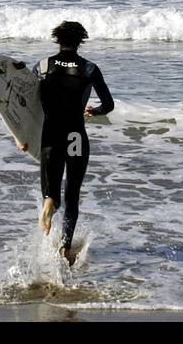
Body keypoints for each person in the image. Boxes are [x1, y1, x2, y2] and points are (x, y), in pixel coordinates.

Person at [22, 20, 114, 265]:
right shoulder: (90, 68)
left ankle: (49, 204)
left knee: (52, 192)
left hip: (51, 135)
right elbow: (109, 105)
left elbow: (25, 106)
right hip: (76, 136)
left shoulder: (43, 66)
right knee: (72, 194)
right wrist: (93, 111)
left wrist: (22, 137)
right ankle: (64, 248)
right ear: (80, 40)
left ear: (57, 39)